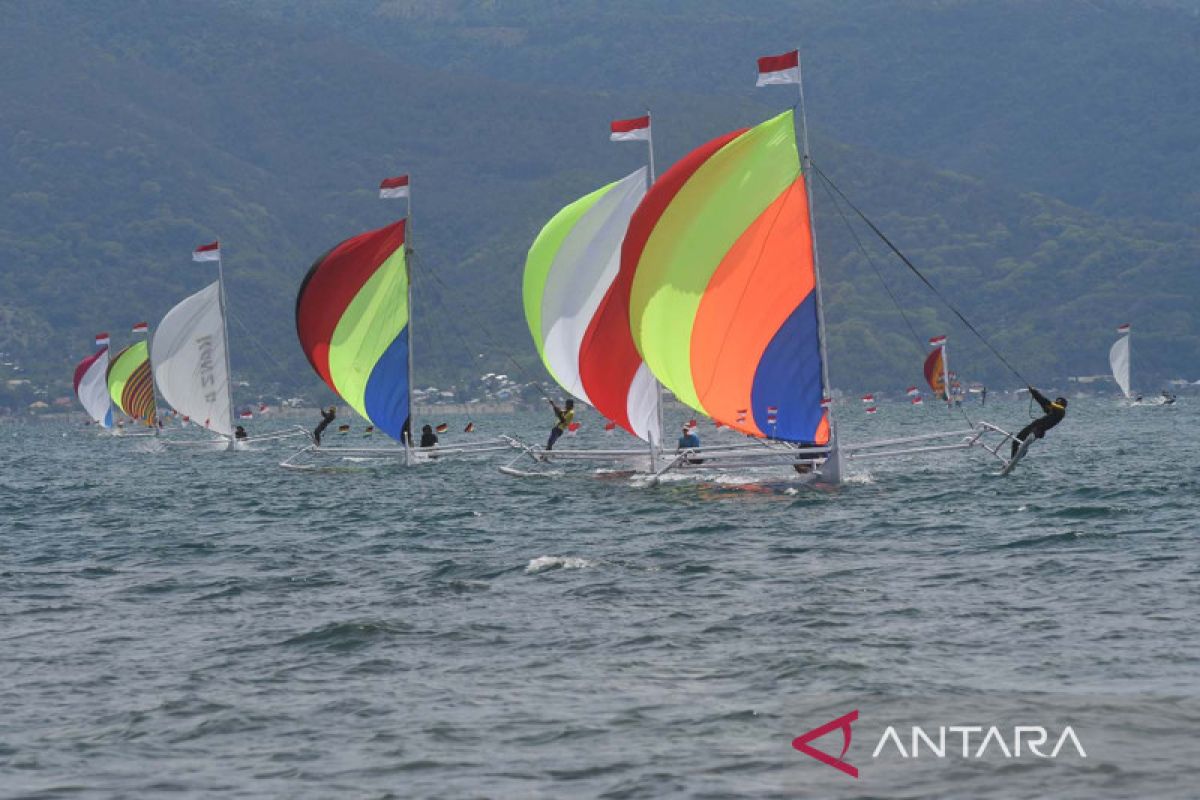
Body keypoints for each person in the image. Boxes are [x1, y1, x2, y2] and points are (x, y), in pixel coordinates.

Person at [1011, 387, 1067, 458]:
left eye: (1057, 402)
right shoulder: (1055, 411)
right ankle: (1014, 457)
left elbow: (1045, 401)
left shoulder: (1061, 411)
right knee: (1016, 441)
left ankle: (1020, 452)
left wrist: (1034, 392)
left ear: (1061, 404)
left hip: (1037, 429)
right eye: (1056, 402)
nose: (1055, 403)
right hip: (1037, 428)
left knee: (1017, 441)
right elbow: (1043, 403)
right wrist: (1034, 393)